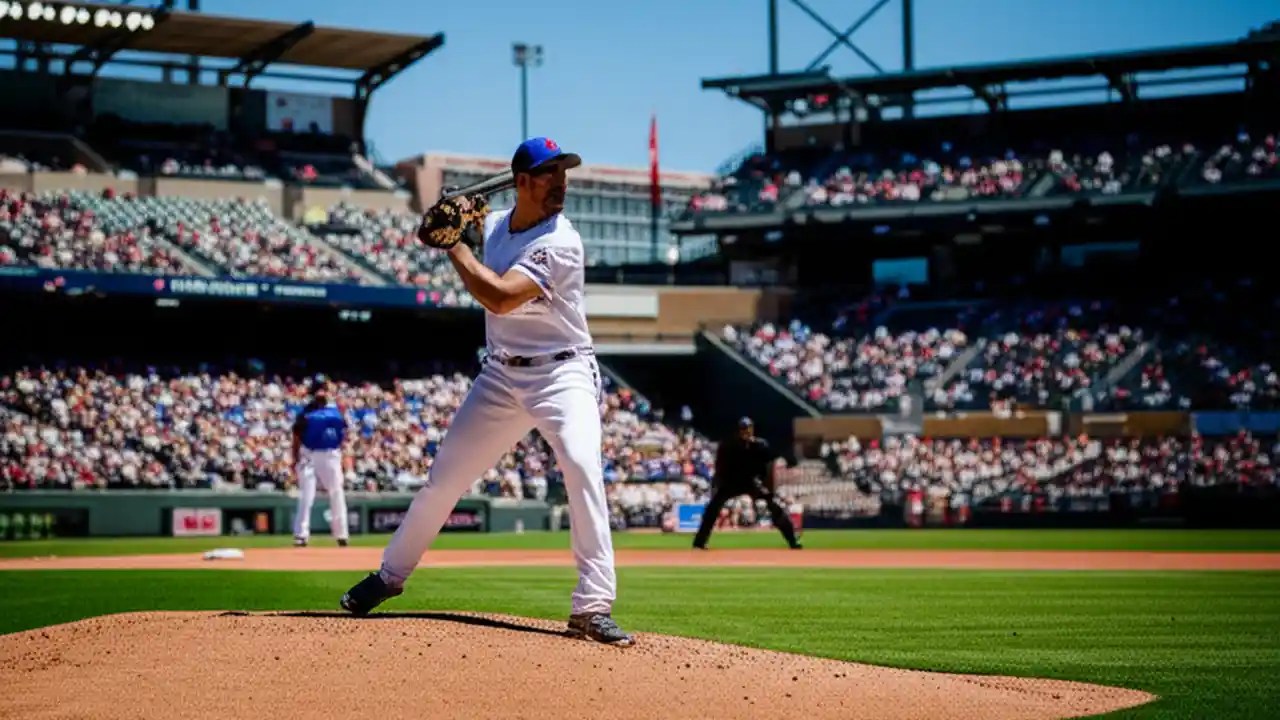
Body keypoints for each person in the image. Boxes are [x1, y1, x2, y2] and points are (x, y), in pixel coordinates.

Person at [339, 137, 633, 647]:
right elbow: (431, 225)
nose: (561, 181)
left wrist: (454, 242)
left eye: (563, 172)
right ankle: (389, 578)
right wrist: (450, 211)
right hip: (500, 375)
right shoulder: (496, 224)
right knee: (443, 479)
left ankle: (592, 605)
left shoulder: (561, 241)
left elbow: (497, 297)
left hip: (561, 374)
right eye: (549, 174)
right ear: (521, 182)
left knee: (583, 468)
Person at [692, 417, 802, 550]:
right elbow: (720, 466)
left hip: (750, 481)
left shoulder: (759, 445)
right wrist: (719, 483)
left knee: (773, 505)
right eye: (744, 429)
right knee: (712, 509)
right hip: (730, 482)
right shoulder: (728, 445)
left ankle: (792, 539)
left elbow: (766, 464)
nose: (747, 432)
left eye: (749, 428)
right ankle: (700, 542)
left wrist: (764, 485)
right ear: (738, 431)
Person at [291, 377, 350, 547]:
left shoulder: (337, 410)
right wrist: (295, 460)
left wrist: (344, 457)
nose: (321, 392)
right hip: (309, 454)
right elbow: (296, 437)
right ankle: (301, 535)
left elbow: (344, 435)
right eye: (318, 389)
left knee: (337, 493)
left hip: (331, 454)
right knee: (306, 496)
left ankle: (342, 534)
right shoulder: (305, 412)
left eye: (324, 388)